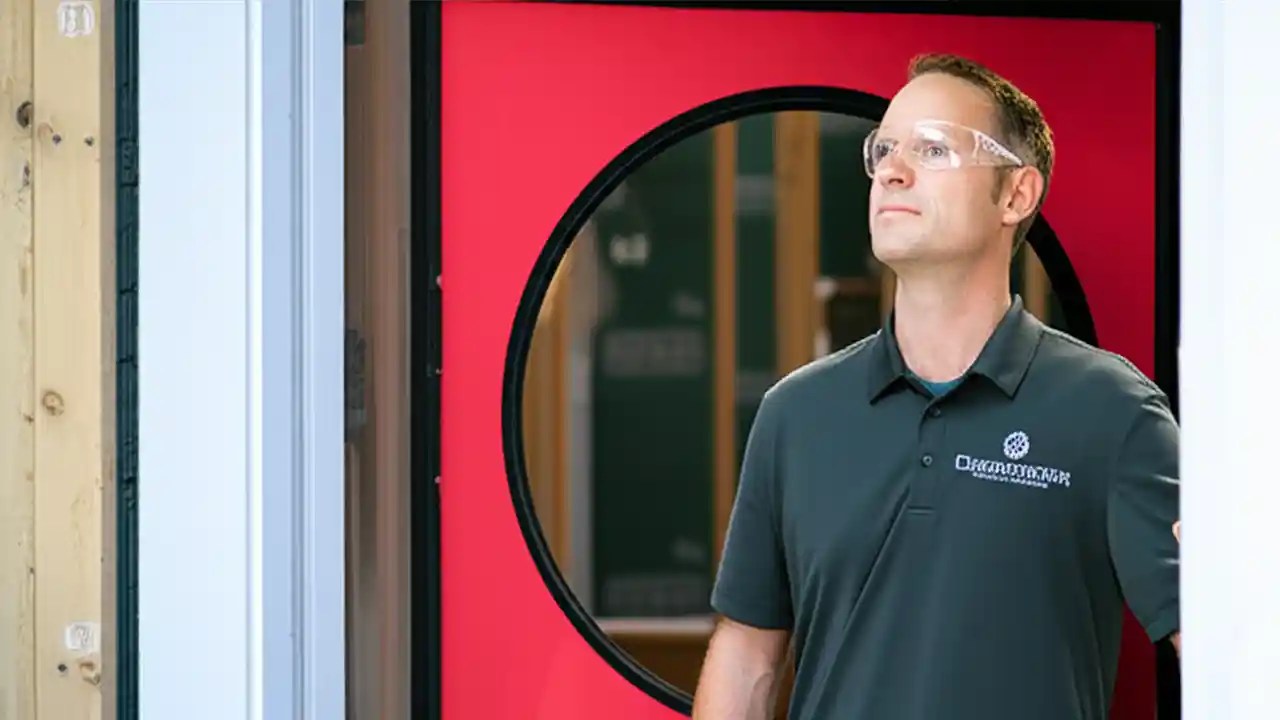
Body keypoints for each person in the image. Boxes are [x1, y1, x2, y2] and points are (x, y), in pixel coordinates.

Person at [691, 53, 1180, 720]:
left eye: (934, 148)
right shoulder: (796, 415)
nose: (892, 168)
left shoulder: (1113, 413)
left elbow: (1215, 647)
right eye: (884, 148)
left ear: (1017, 195)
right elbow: (748, 657)